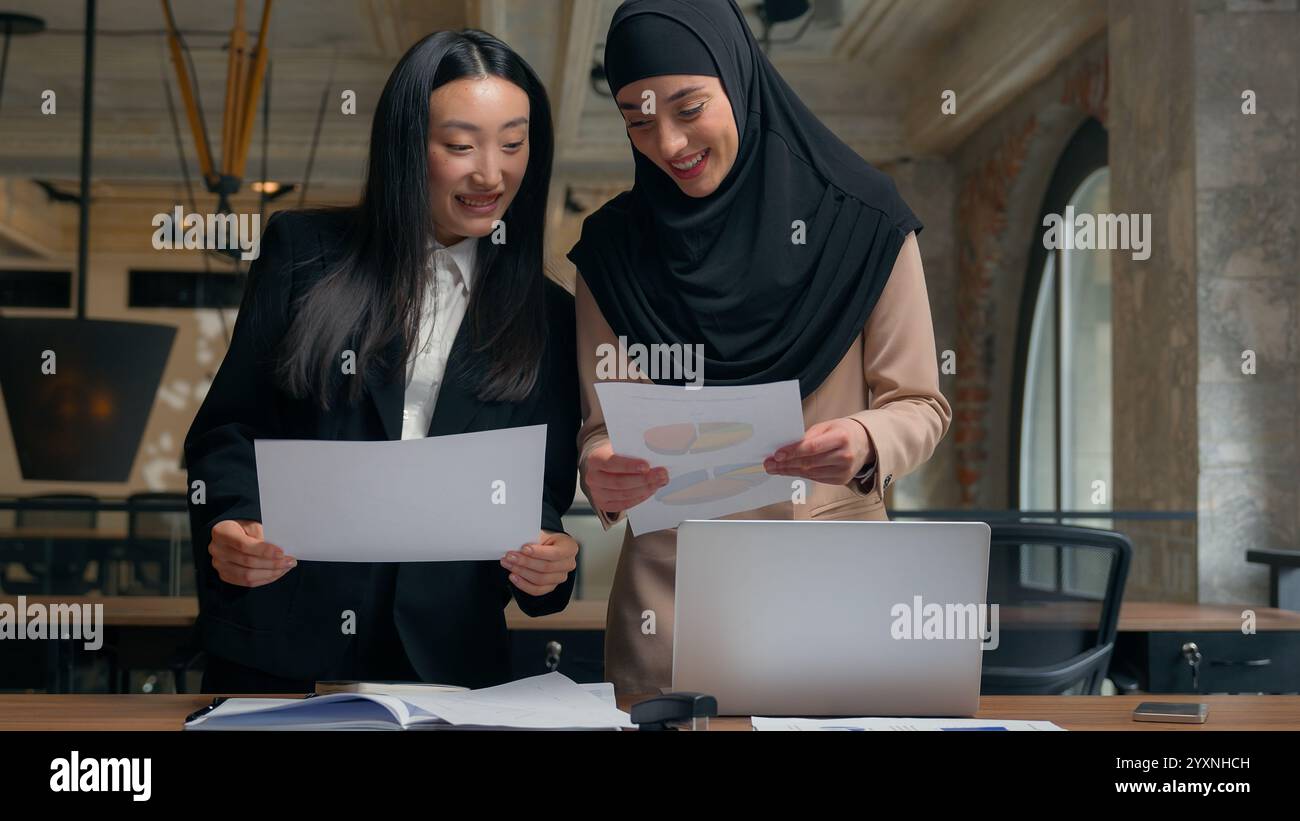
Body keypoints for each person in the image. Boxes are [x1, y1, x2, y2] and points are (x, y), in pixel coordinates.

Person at [567, 0, 953, 695]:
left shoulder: (863, 219)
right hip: (671, 609)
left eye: (689, 108)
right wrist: (599, 466)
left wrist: (866, 439)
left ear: (738, 78)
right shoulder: (610, 252)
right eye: (638, 120)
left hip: (836, 596)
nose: (668, 143)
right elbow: (603, 426)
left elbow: (920, 404)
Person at [184, 29, 579, 693]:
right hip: (284, 644)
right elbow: (229, 426)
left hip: (450, 661)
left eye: (513, 144)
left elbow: (537, 492)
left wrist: (549, 561)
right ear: (405, 145)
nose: (490, 173)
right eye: (461, 145)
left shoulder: (551, 315)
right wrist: (231, 516)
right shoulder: (303, 253)